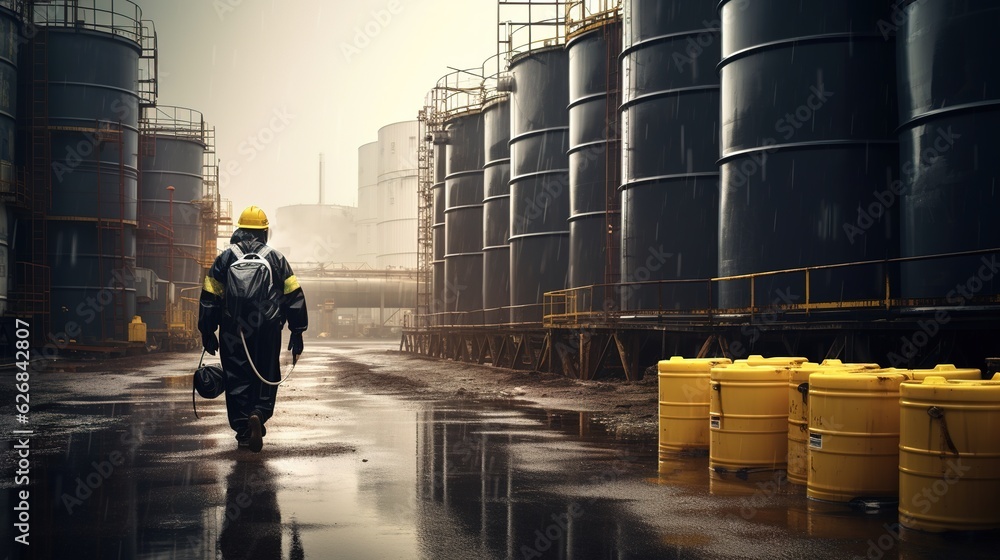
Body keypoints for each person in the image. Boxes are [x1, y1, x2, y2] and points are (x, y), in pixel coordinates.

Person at [198, 205, 308, 452]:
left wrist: (207, 330)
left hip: (232, 330)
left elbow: (209, 296)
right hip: (267, 329)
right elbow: (294, 295)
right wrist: (298, 330)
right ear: (265, 231)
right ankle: (259, 412)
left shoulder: (225, 259)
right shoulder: (276, 259)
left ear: (239, 229)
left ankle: (243, 431)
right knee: (267, 374)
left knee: (237, 377)